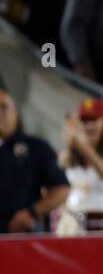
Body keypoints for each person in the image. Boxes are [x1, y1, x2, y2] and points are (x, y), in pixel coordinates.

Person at [0, 90, 69, 234]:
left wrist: (31, 212)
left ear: (16, 112)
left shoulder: (36, 148)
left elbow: (61, 189)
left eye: (4, 107)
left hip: (23, 235)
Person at [55, 97, 103, 236]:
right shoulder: (68, 154)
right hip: (72, 224)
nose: (89, 126)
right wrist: (71, 143)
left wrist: (81, 145)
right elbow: (57, 182)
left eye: (94, 120)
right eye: (84, 121)